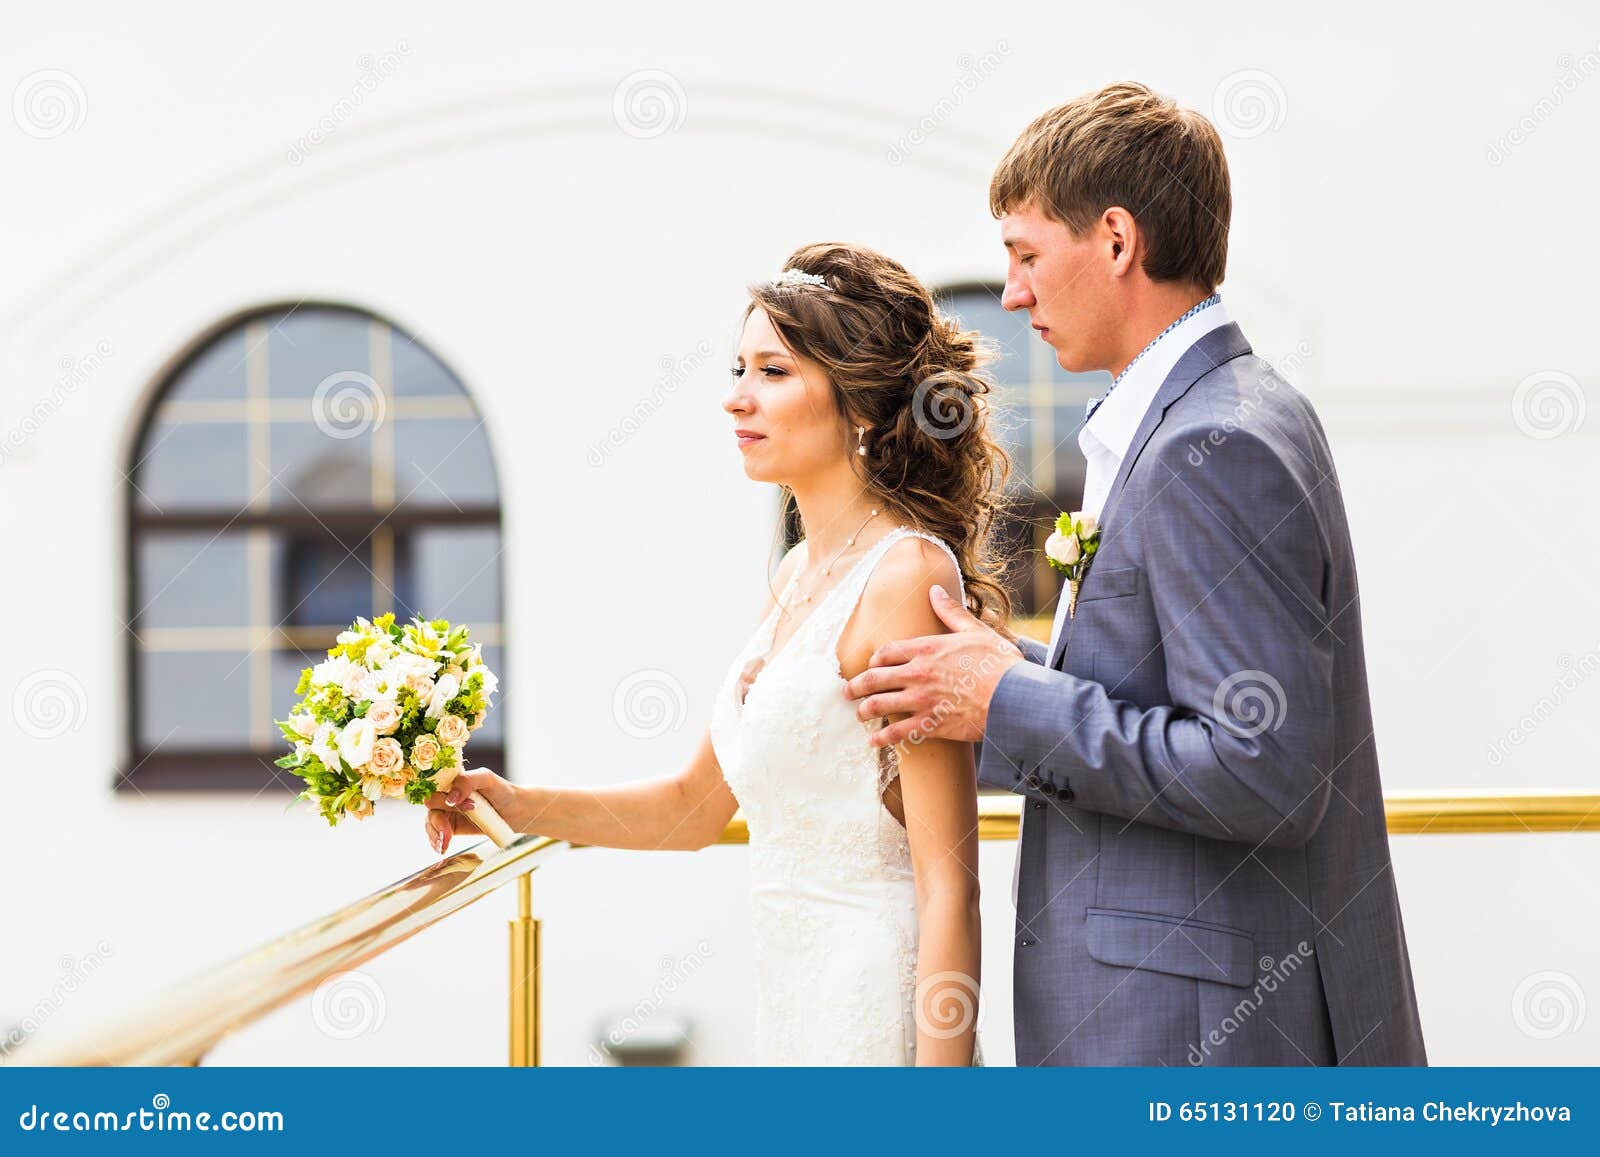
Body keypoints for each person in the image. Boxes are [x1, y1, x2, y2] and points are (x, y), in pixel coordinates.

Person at [845, 82, 1428, 1066]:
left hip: (1194, 1039)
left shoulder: (1217, 441)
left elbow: (1264, 770)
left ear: (1116, 239)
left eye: (1025, 255)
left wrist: (1008, 699)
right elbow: (1177, 693)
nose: (1015, 291)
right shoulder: (1222, 413)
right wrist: (1007, 669)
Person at [426, 242, 1015, 1066]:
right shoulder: (794, 573)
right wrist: (514, 805)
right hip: (791, 1006)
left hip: (875, 1009)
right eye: (738, 369)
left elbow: (949, 880)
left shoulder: (905, 576)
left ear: (861, 407)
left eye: (773, 372)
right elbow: (693, 807)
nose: (737, 399)